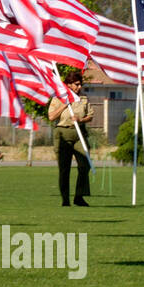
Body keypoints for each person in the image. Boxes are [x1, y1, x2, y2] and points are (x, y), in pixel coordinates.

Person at [48, 74, 93, 207]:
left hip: (79, 133)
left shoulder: (83, 99)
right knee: (64, 168)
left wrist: (81, 120)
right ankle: (65, 199)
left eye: (80, 85)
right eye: (76, 84)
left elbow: (90, 116)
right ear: (69, 85)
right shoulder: (58, 98)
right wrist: (64, 105)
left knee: (85, 164)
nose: (79, 87)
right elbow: (51, 117)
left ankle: (79, 196)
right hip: (63, 133)